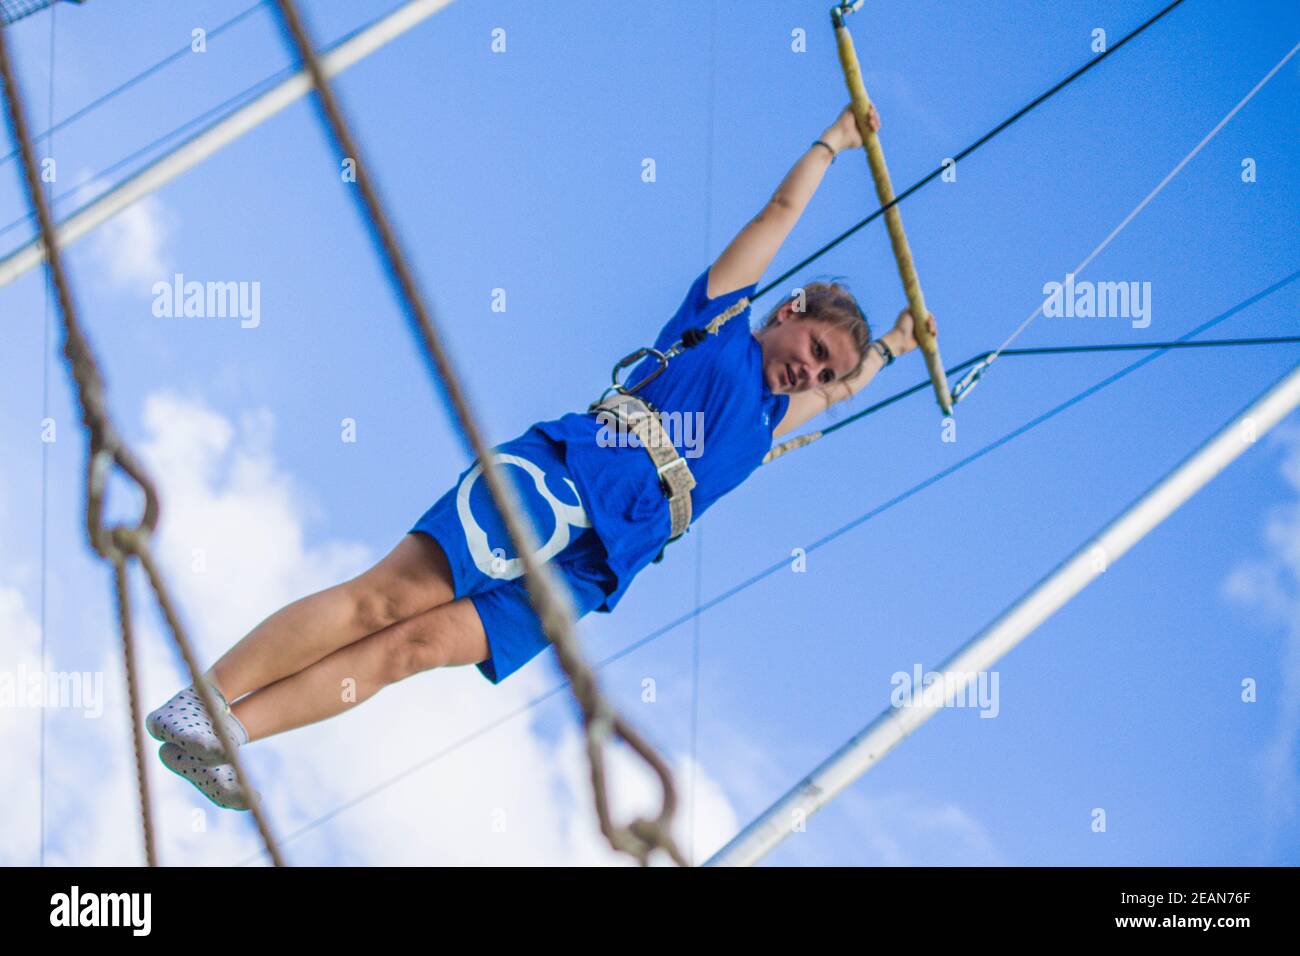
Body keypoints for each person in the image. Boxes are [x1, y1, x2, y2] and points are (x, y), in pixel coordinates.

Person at [147, 103, 937, 810]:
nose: (813, 370)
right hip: (569, 474)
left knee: (407, 651)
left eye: (826, 369)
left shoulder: (769, 420)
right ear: (789, 311)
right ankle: (204, 697)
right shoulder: (723, 320)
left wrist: (896, 347)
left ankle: (228, 736)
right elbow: (781, 208)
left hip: (595, 566)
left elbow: (843, 394)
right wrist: (837, 140)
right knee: (387, 601)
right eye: (815, 347)